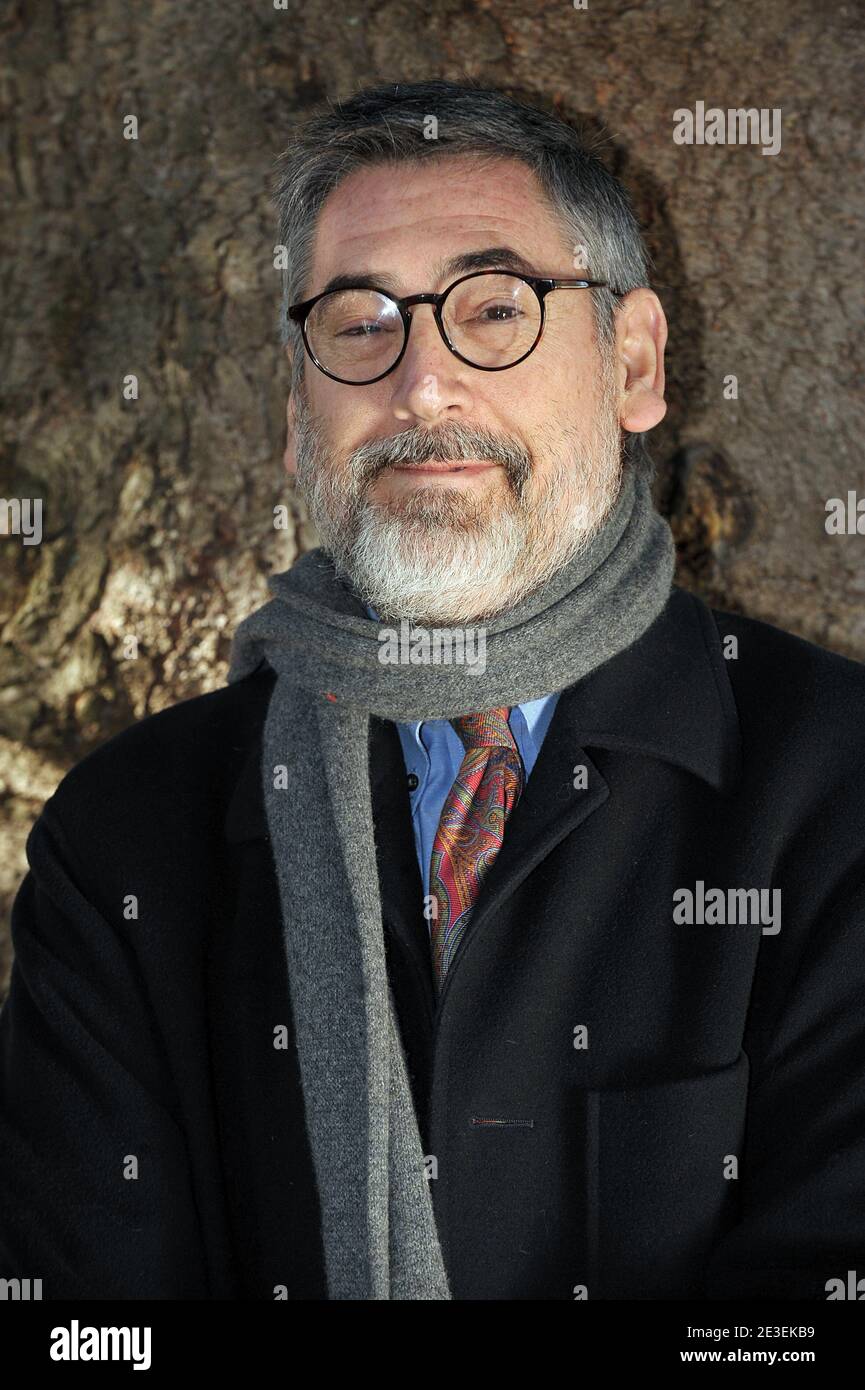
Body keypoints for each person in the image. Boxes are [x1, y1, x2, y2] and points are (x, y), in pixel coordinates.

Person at [1, 79, 864, 1302]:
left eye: (496, 309)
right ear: (299, 418)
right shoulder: (127, 837)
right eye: (360, 326)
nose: (422, 384)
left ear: (633, 363)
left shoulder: (837, 788)